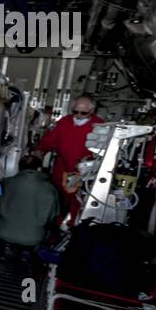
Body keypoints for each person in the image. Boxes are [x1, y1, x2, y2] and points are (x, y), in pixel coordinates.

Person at [35, 94, 104, 225]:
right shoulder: (64, 122)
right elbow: (49, 140)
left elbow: (103, 150)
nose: (78, 115)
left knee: (77, 205)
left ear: (92, 111)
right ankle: (53, 230)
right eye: (75, 111)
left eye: (83, 113)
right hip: (61, 170)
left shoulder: (99, 126)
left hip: (83, 174)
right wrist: (40, 151)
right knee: (57, 203)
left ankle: (73, 230)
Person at [0, 155, 61, 253]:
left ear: (19, 167)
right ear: (39, 169)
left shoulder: (6, 183)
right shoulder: (49, 189)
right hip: (33, 238)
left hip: (3, 233)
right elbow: (53, 215)